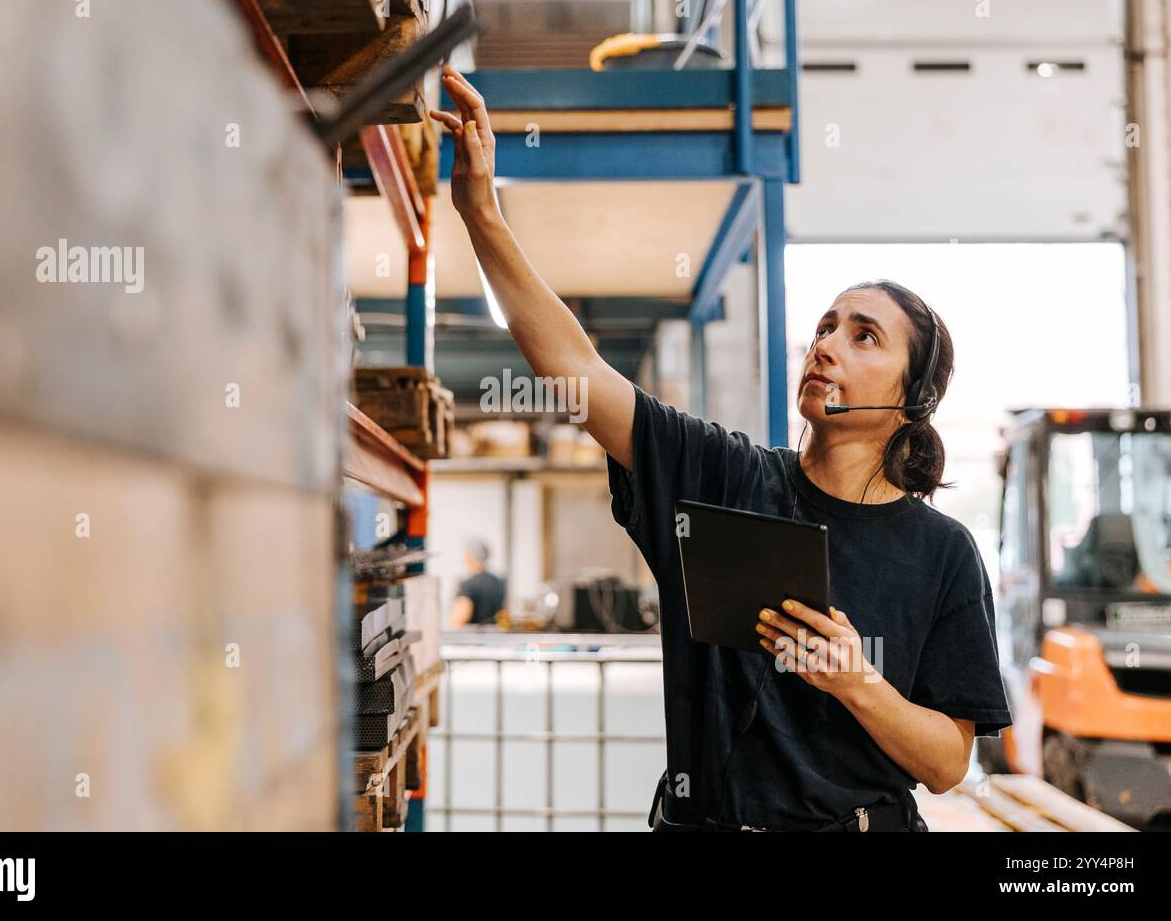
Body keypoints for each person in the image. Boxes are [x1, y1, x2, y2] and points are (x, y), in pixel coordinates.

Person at [431, 65, 1012, 832]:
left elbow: (946, 764)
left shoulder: (942, 554)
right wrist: (481, 214)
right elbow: (575, 371)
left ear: (912, 401)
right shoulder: (721, 475)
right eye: (827, 327)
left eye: (863, 336)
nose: (827, 345)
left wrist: (855, 681)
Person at [449, 538, 506, 628]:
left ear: (469, 557)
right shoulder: (499, 582)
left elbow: (460, 617)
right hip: (496, 637)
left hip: (472, 639)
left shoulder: (468, 585)